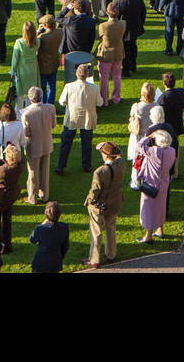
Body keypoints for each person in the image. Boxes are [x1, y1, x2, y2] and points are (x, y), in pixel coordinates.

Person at [57, 62, 103, 175]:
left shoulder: (69, 86)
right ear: (87, 75)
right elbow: (100, 103)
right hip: (87, 119)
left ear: (76, 74)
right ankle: (86, 165)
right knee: (86, 143)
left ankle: (61, 166)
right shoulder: (94, 88)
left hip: (72, 118)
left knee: (66, 142)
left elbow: (61, 102)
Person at [84, 140, 124, 268]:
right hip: (114, 201)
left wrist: (89, 200)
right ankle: (111, 254)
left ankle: (94, 259)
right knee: (111, 227)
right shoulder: (121, 164)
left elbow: (95, 191)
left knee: (96, 231)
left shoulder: (100, 172)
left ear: (106, 156)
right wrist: (112, 148)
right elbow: (120, 155)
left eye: (102, 153)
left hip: (100, 205)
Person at [136, 129, 176, 243]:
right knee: (160, 207)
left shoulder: (154, 151)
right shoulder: (171, 151)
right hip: (164, 183)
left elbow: (139, 145)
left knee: (149, 209)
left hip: (151, 183)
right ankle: (160, 230)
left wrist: (149, 137)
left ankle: (148, 236)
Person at [0, 144, 24, 253]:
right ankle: (8, 245)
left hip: (0, 198)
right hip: (11, 196)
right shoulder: (19, 165)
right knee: (7, 222)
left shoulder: (4, 170)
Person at [29, 201, 70, 273]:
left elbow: (32, 240)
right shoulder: (64, 227)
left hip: (40, 263)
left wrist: (42, 224)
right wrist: (60, 257)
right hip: (55, 262)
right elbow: (65, 246)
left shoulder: (40, 228)